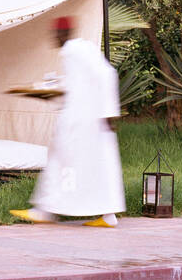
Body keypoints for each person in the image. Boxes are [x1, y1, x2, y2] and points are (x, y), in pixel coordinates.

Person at [11, 16, 125, 227]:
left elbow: (107, 74)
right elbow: (76, 85)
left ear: (63, 34)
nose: (54, 38)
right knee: (94, 166)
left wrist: (109, 112)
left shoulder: (72, 50)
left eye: (56, 34)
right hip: (88, 119)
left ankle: (45, 212)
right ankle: (107, 216)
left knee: (61, 163)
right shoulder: (80, 50)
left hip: (81, 121)